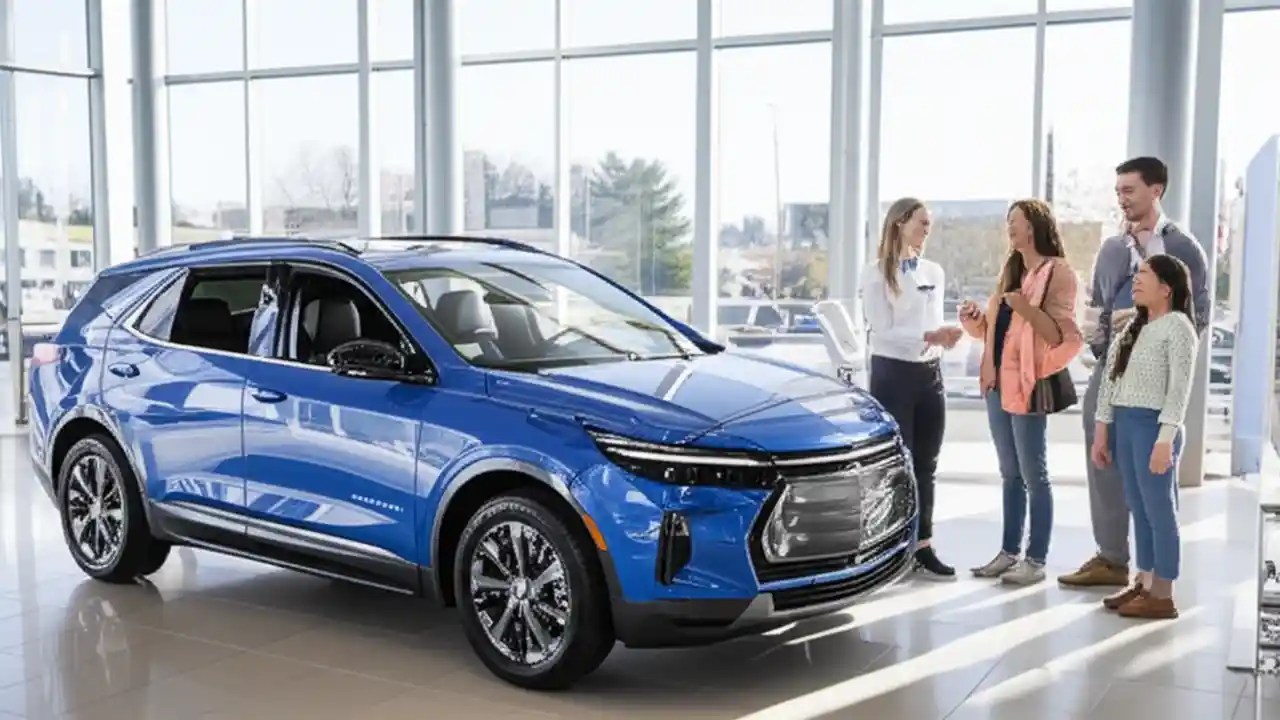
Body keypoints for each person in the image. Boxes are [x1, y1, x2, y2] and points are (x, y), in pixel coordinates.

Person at [1059, 157, 1210, 589]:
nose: (1121, 199)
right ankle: (1111, 558)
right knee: (1102, 457)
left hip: (1157, 377)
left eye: (1130, 190)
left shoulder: (1182, 247)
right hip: (1112, 368)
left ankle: (1157, 579)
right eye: (1118, 191)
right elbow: (1095, 309)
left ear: (1156, 190)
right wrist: (1108, 348)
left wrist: (1160, 344)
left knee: (1154, 473)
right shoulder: (1111, 249)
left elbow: (1197, 314)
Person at [960, 199, 1082, 586]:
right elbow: (999, 338)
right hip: (997, 386)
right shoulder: (1012, 273)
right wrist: (977, 323)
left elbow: (1063, 336)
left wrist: (1025, 309)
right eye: (1007, 221)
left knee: (1035, 474)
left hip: (1028, 386)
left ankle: (1036, 559)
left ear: (1034, 226)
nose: (1009, 227)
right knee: (1009, 474)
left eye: (1015, 220)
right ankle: (1008, 553)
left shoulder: (1058, 273)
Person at [1089, 255, 1198, 619]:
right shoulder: (1132, 329)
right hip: (1125, 425)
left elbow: (1179, 391)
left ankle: (1163, 593)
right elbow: (1109, 383)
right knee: (1138, 508)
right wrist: (1102, 431)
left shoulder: (1178, 326)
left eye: (1145, 275)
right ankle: (1145, 581)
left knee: (1159, 510)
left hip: (1154, 428)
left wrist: (1165, 439)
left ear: (1166, 288)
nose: (1135, 280)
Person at [860, 197, 964, 581]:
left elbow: (932, 321)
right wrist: (929, 334)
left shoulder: (933, 271)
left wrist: (948, 332)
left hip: (929, 373)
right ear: (899, 223)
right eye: (921, 221)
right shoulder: (875, 274)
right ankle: (890, 549)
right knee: (896, 466)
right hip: (892, 375)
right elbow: (881, 330)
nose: (926, 228)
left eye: (929, 222)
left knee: (927, 463)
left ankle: (923, 545)